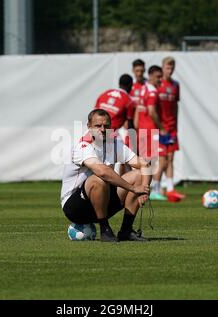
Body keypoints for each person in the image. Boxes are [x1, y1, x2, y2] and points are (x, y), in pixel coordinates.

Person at [61, 109, 152, 242]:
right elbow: (102, 171)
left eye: (107, 126)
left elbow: (145, 165)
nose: (103, 129)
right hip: (75, 208)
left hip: (103, 200)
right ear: (89, 127)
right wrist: (132, 189)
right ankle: (105, 230)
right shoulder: (82, 146)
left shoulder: (114, 144)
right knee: (98, 179)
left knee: (138, 176)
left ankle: (126, 231)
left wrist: (144, 189)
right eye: (98, 126)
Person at [134, 65, 166, 201]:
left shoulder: (142, 89)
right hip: (151, 130)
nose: (160, 79)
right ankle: (153, 190)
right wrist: (161, 127)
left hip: (142, 129)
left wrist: (136, 126)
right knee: (160, 158)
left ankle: (138, 188)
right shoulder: (152, 92)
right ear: (151, 75)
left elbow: (139, 110)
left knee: (143, 161)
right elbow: (152, 111)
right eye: (158, 77)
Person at [156, 57, 184, 202]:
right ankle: (156, 189)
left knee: (171, 158)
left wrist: (176, 125)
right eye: (167, 66)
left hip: (171, 127)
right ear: (162, 67)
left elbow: (176, 106)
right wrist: (158, 126)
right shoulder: (158, 84)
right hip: (161, 128)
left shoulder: (175, 85)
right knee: (162, 160)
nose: (170, 69)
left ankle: (170, 190)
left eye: (172, 67)